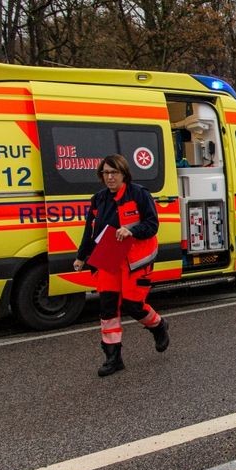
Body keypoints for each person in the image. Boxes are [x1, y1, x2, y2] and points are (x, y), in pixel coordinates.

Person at [73, 154, 169, 377]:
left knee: (133, 305)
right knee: (107, 308)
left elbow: (152, 225)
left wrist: (131, 231)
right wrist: (81, 256)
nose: (109, 177)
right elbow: (91, 231)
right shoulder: (98, 199)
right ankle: (113, 357)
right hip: (108, 259)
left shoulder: (139, 194)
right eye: (105, 173)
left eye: (114, 172)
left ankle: (158, 325)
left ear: (124, 173)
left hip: (135, 259)